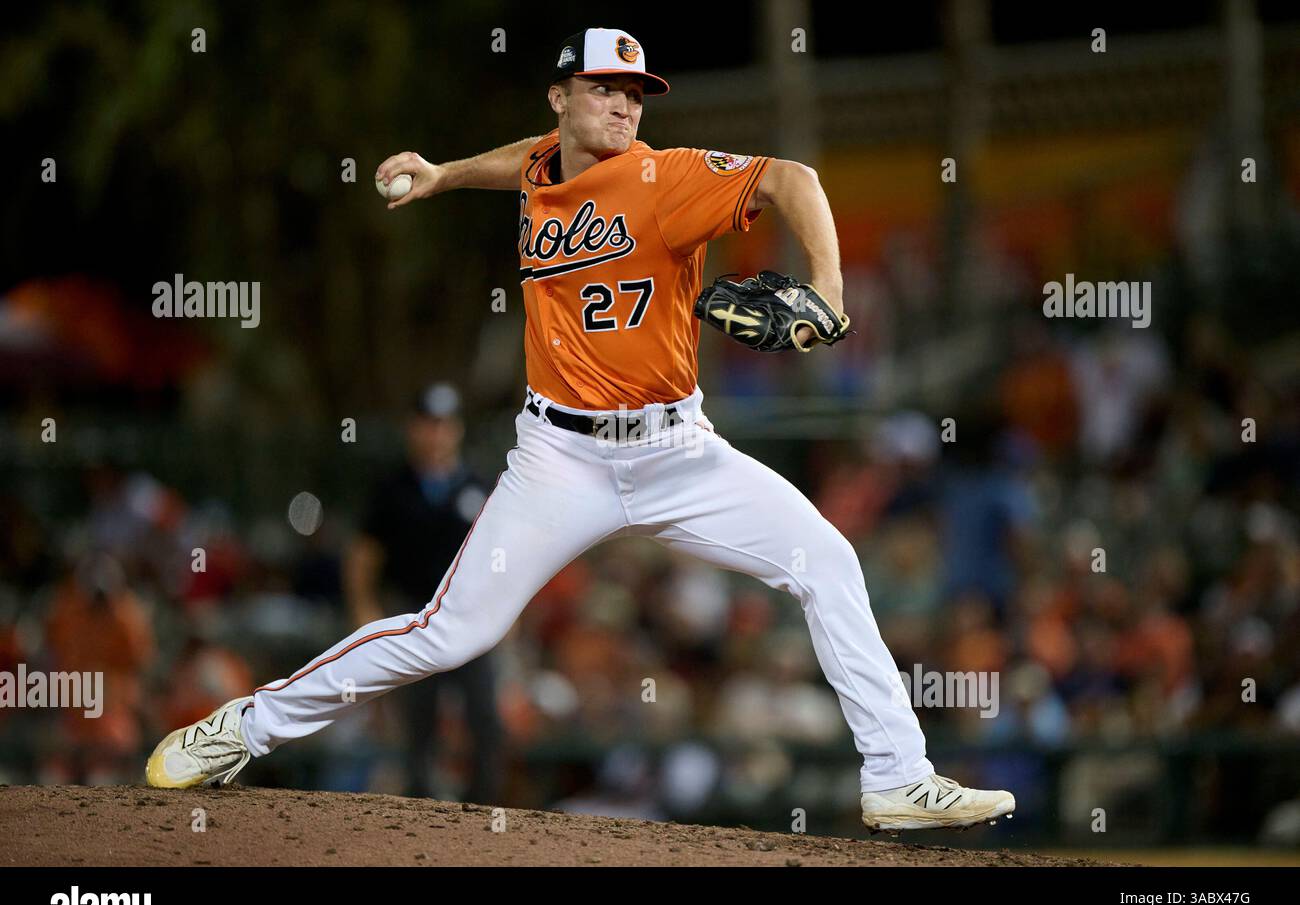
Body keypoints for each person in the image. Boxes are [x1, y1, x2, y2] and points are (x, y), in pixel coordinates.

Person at [146, 27, 1014, 832]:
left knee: (826, 559)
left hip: (680, 453)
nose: (626, 106)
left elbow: (796, 179)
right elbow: (519, 165)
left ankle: (897, 775)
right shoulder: (541, 165)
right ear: (559, 97)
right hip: (558, 460)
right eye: (605, 88)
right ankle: (241, 728)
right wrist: (446, 174)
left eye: (635, 93)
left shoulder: (666, 177)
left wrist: (827, 289)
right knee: (452, 633)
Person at [344, 383, 503, 802]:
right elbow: (364, 554)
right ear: (413, 429)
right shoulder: (391, 487)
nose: (436, 434)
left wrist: (508, 612)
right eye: (428, 424)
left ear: (457, 430)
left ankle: (486, 808)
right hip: (411, 611)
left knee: (484, 714)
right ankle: (421, 814)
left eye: (444, 425)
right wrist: (364, 605)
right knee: (419, 719)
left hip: (469, 614)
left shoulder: (478, 484)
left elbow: (500, 554)